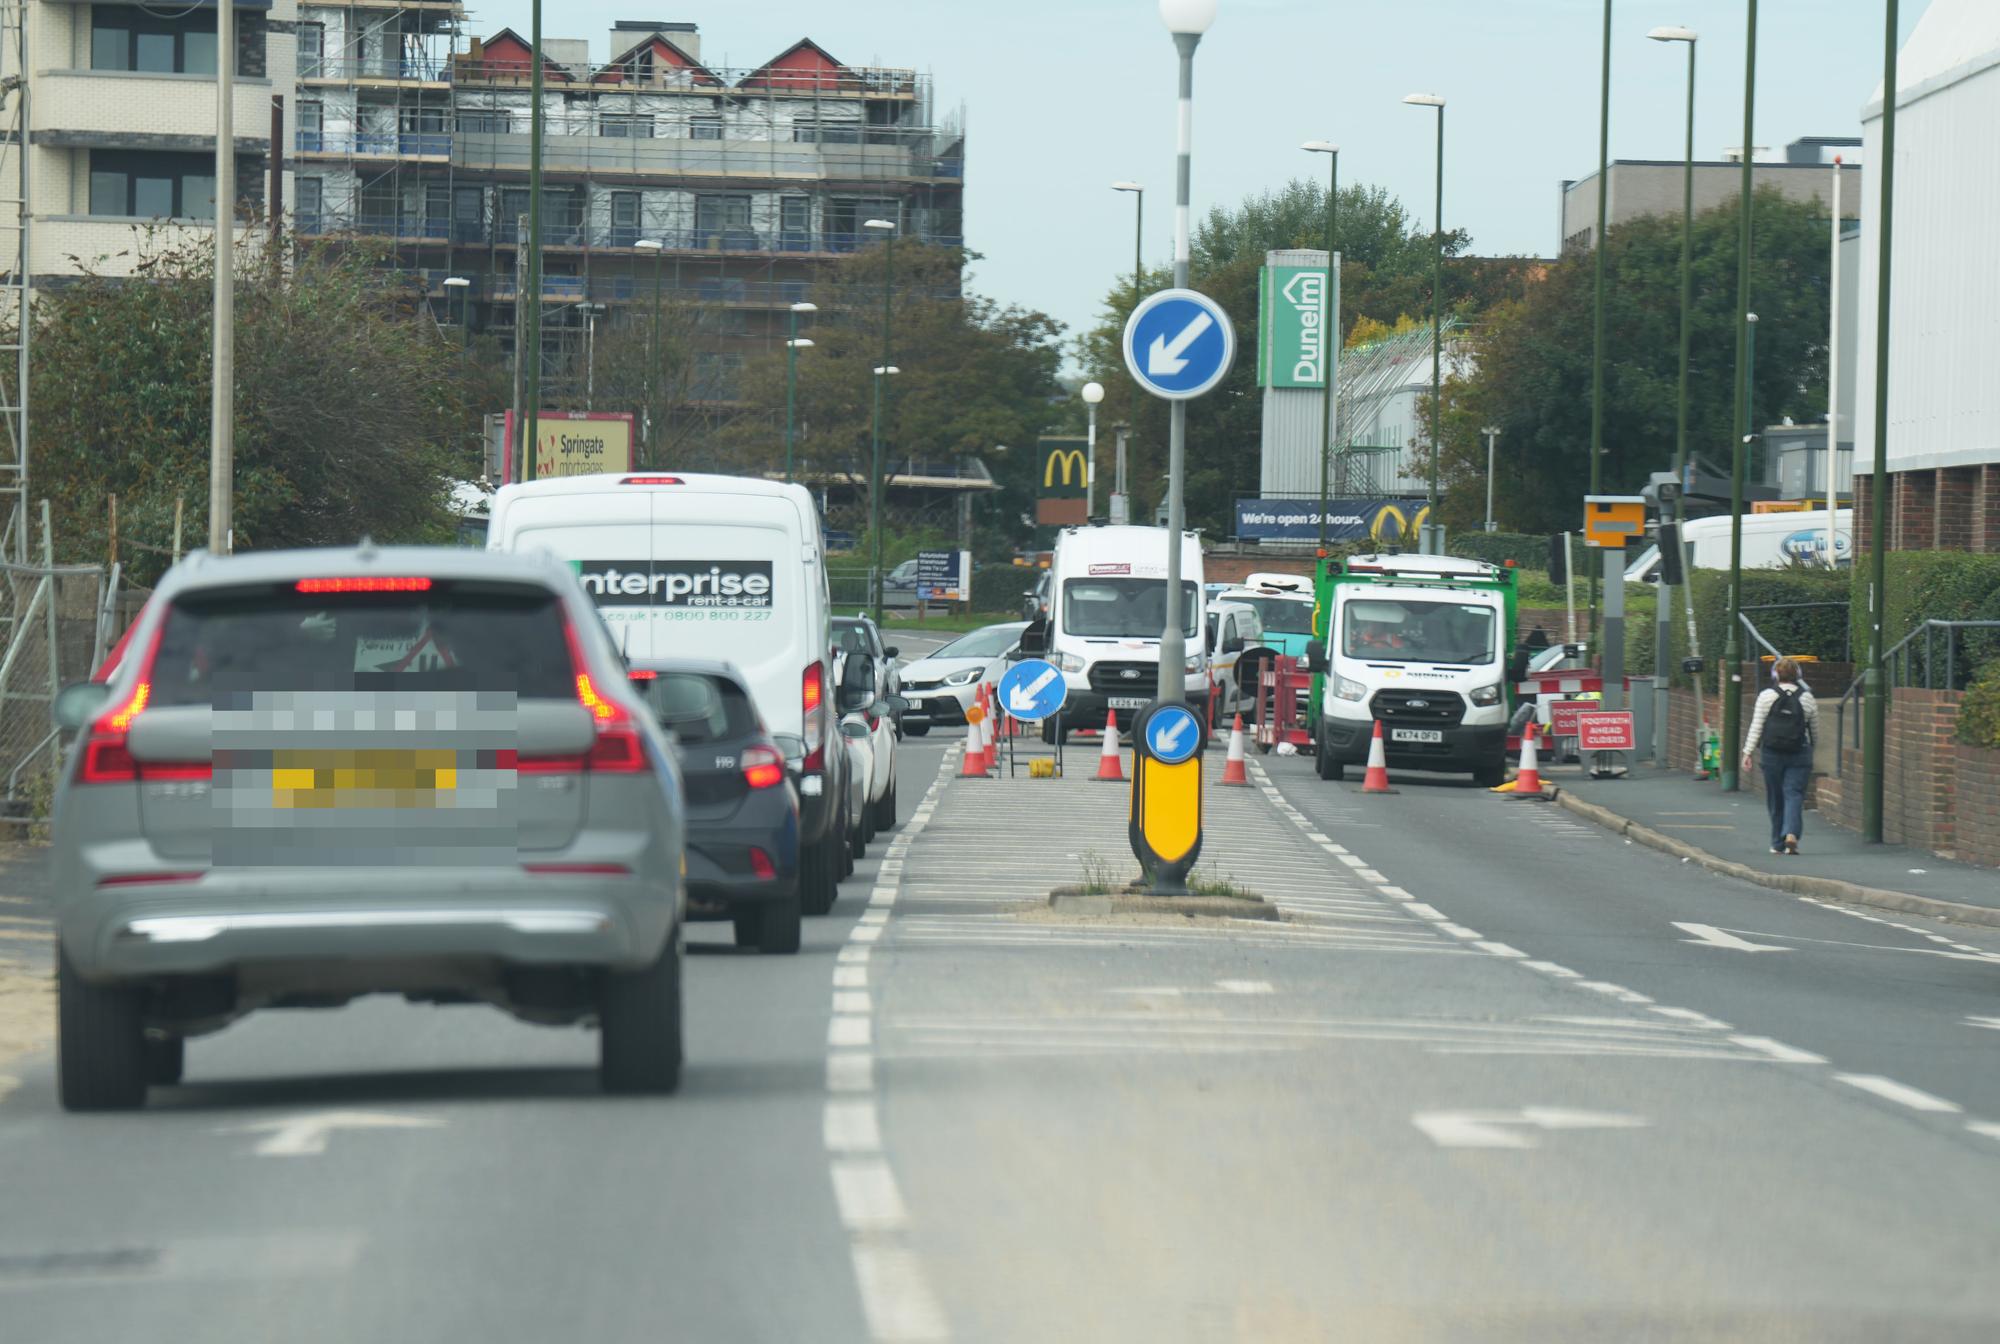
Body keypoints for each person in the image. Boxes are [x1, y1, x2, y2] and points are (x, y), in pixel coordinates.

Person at [1741, 656, 1819, 856]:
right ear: (1798, 676)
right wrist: (1812, 748)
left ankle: (1777, 843)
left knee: (1775, 798)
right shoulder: (1807, 697)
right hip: (1799, 751)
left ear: (1775, 675)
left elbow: (1756, 726)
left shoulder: (1767, 696)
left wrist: (1747, 752)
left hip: (1772, 753)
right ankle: (1791, 833)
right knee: (1794, 794)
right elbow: (1814, 729)